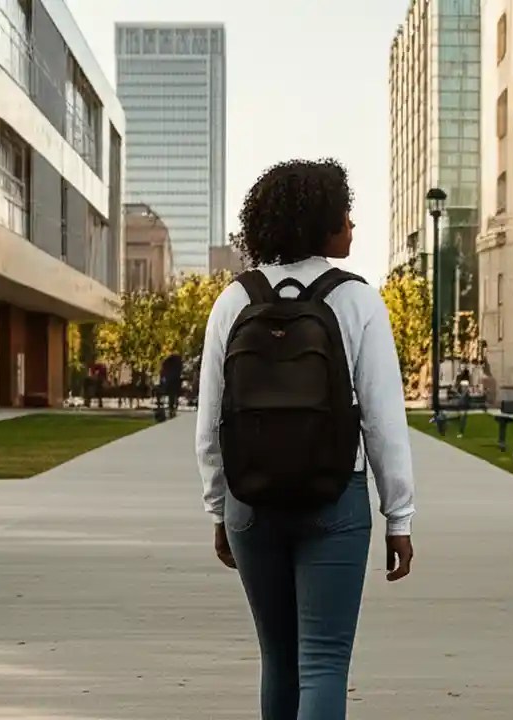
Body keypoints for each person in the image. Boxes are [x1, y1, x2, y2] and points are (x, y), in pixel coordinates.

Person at [195, 159, 415, 720]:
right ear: (321, 220)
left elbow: (211, 422)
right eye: (346, 213)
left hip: (252, 501)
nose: (353, 225)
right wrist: (400, 517)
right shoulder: (359, 300)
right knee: (324, 660)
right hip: (334, 496)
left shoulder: (233, 301)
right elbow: (384, 420)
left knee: (279, 659)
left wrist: (219, 509)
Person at [160, 353, 183, 418]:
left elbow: (163, 371)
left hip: (171, 381)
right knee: (174, 395)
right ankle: (173, 408)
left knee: (171, 396)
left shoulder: (168, 363)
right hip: (175, 380)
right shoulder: (177, 363)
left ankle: (172, 408)